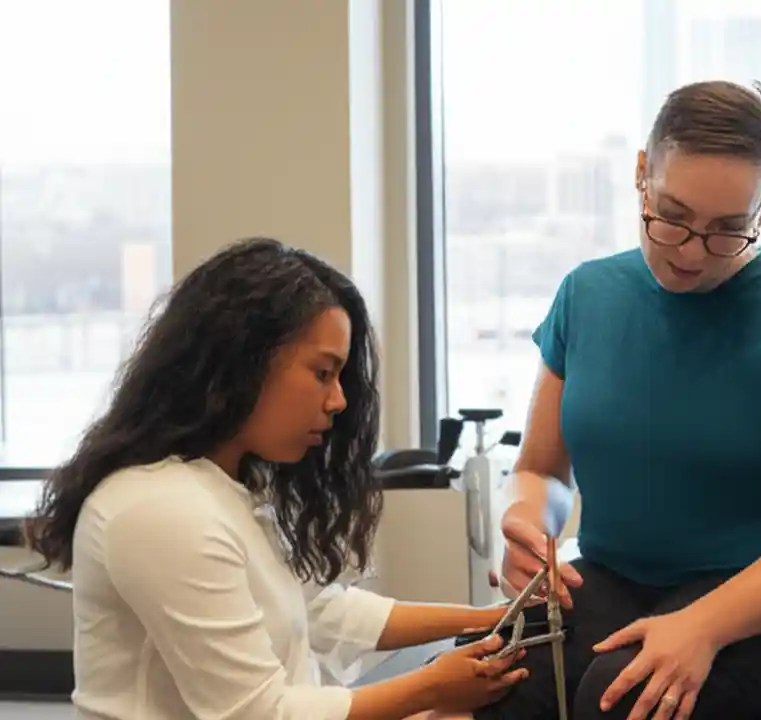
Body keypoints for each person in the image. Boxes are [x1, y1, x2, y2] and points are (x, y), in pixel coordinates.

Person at [471, 80, 761, 720]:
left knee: (623, 697)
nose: (691, 251)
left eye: (727, 230)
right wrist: (529, 525)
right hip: (618, 579)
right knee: (476, 682)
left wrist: (703, 626)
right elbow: (542, 470)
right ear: (641, 174)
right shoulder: (586, 295)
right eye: (674, 216)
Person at [25, 238, 528, 720]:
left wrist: (488, 618)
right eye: (322, 373)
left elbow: (322, 612)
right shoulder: (159, 510)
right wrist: (433, 686)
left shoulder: (231, 488)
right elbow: (259, 714)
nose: (338, 401)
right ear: (242, 360)